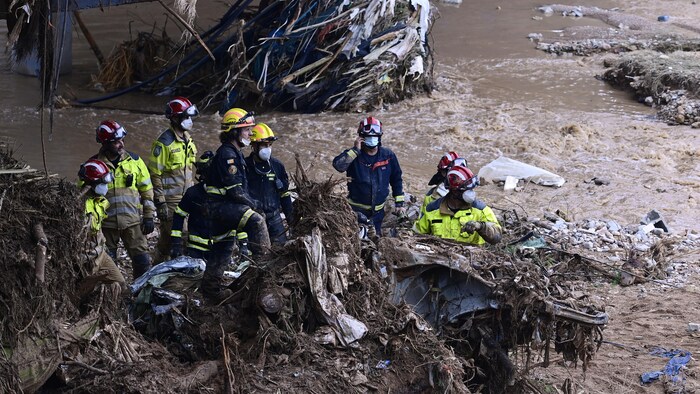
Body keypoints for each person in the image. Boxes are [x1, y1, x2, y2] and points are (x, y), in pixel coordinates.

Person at [200, 108, 271, 302]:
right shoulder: (227, 155)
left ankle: (211, 290)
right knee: (256, 220)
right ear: (234, 131)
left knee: (223, 247)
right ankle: (264, 274)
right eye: (247, 130)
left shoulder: (233, 152)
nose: (250, 133)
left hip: (219, 209)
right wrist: (256, 205)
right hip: (220, 207)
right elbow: (236, 191)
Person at [88, 120, 155, 279]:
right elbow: (84, 199)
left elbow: (147, 190)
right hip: (106, 225)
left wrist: (148, 216)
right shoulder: (93, 166)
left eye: (122, 140)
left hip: (132, 223)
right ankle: (115, 295)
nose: (121, 144)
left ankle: (140, 292)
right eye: (116, 142)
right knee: (109, 265)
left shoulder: (135, 161)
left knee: (142, 261)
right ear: (105, 143)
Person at [332, 116, 405, 235]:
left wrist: (399, 204)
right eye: (368, 137)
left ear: (379, 137)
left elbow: (396, 179)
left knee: (376, 240)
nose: (372, 140)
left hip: (378, 213)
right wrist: (355, 150)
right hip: (355, 212)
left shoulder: (388, 156)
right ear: (361, 138)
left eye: (374, 137)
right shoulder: (354, 155)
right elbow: (338, 166)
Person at [148, 97, 199, 264]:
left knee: (166, 240)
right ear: (175, 118)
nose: (189, 121)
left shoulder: (187, 139)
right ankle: (179, 275)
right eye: (186, 117)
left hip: (187, 198)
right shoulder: (164, 144)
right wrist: (160, 202)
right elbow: (154, 174)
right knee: (182, 237)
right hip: (171, 202)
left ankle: (156, 267)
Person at [76, 159, 126, 301]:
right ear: (91, 184)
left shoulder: (100, 201)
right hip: (85, 258)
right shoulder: (77, 206)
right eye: (103, 183)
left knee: (120, 283)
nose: (107, 187)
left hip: (100, 254)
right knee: (83, 295)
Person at [415, 165, 502, 245]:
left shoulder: (480, 210)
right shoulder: (432, 209)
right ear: (454, 191)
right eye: (467, 189)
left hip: (470, 258)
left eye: (471, 189)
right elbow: (417, 236)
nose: (471, 193)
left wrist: (481, 226)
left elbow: (497, 237)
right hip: (438, 257)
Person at [245, 123, 293, 244]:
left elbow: (284, 195)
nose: (268, 149)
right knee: (258, 254)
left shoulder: (277, 166)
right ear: (254, 146)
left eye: (270, 145)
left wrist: (292, 220)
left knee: (281, 249)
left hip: (275, 218)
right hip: (253, 219)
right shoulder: (245, 166)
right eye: (264, 145)